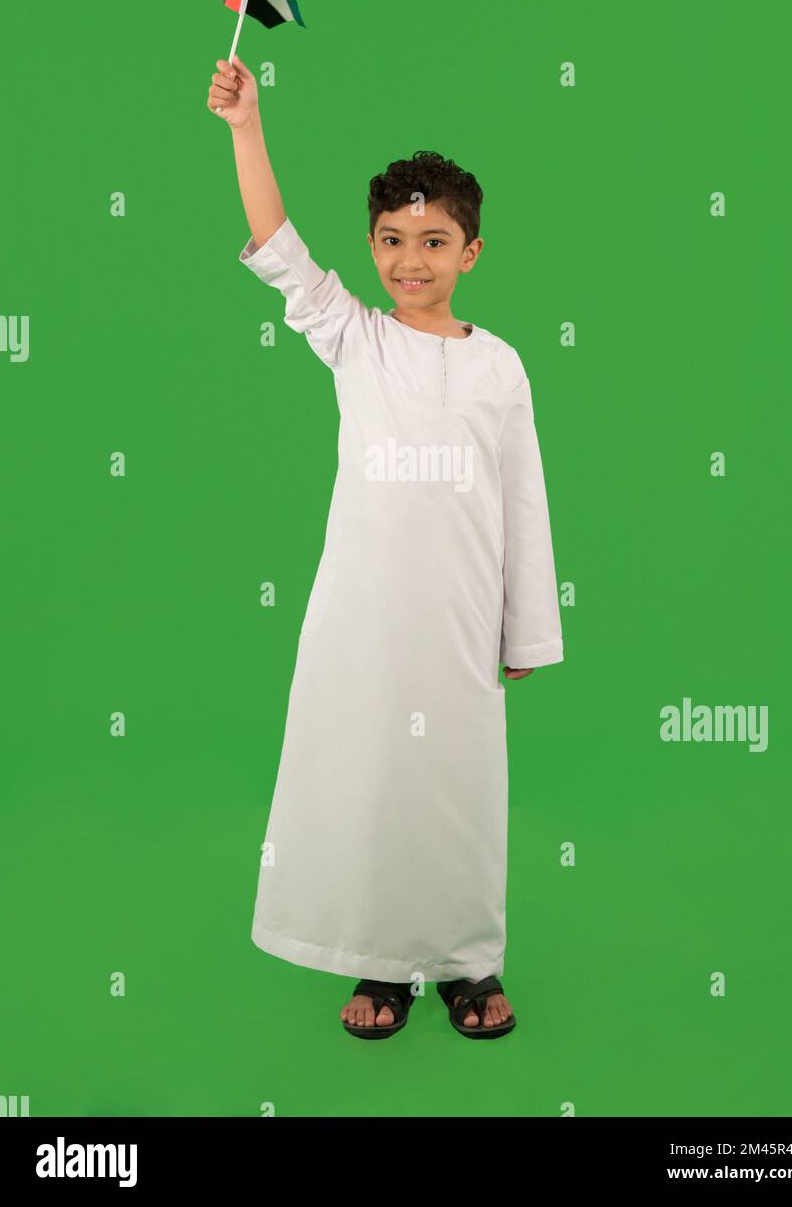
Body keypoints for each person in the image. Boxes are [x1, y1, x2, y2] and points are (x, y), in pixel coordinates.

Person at [208, 56, 563, 1040]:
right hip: (362, 619)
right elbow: (277, 244)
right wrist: (246, 126)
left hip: (460, 622)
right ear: (370, 246)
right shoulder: (352, 339)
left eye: (434, 241)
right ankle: (383, 962)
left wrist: (526, 628)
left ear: (471, 252)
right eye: (393, 241)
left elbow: (523, 501)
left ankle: (467, 963)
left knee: (457, 788)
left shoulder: (499, 368)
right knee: (372, 783)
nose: (412, 260)